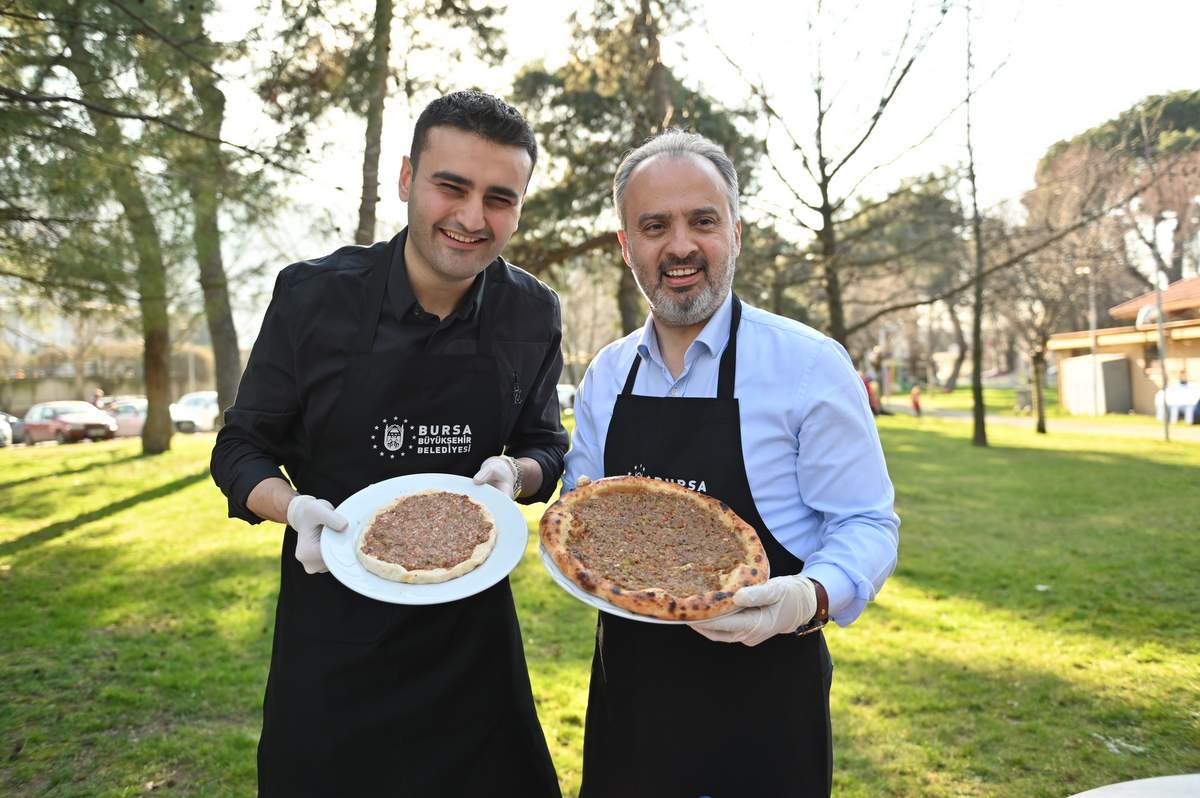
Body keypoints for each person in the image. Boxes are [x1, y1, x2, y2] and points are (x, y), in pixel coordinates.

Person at [210, 91, 565, 797]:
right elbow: (240, 448)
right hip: (333, 642)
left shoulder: (533, 311)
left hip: (473, 647)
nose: (472, 218)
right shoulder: (312, 297)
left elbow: (545, 446)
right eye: (451, 186)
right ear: (407, 180)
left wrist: (514, 474)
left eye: (500, 198)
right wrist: (293, 508)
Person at [562, 130, 899, 797]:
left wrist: (809, 596)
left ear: (736, 233)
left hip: (767, 715)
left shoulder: (808, 366)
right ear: (627, 246)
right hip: (631, 706)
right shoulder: (606, 376)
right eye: (655, 226)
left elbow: (866, 522)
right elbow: (580, 514)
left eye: (703, 221)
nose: (680, 245)